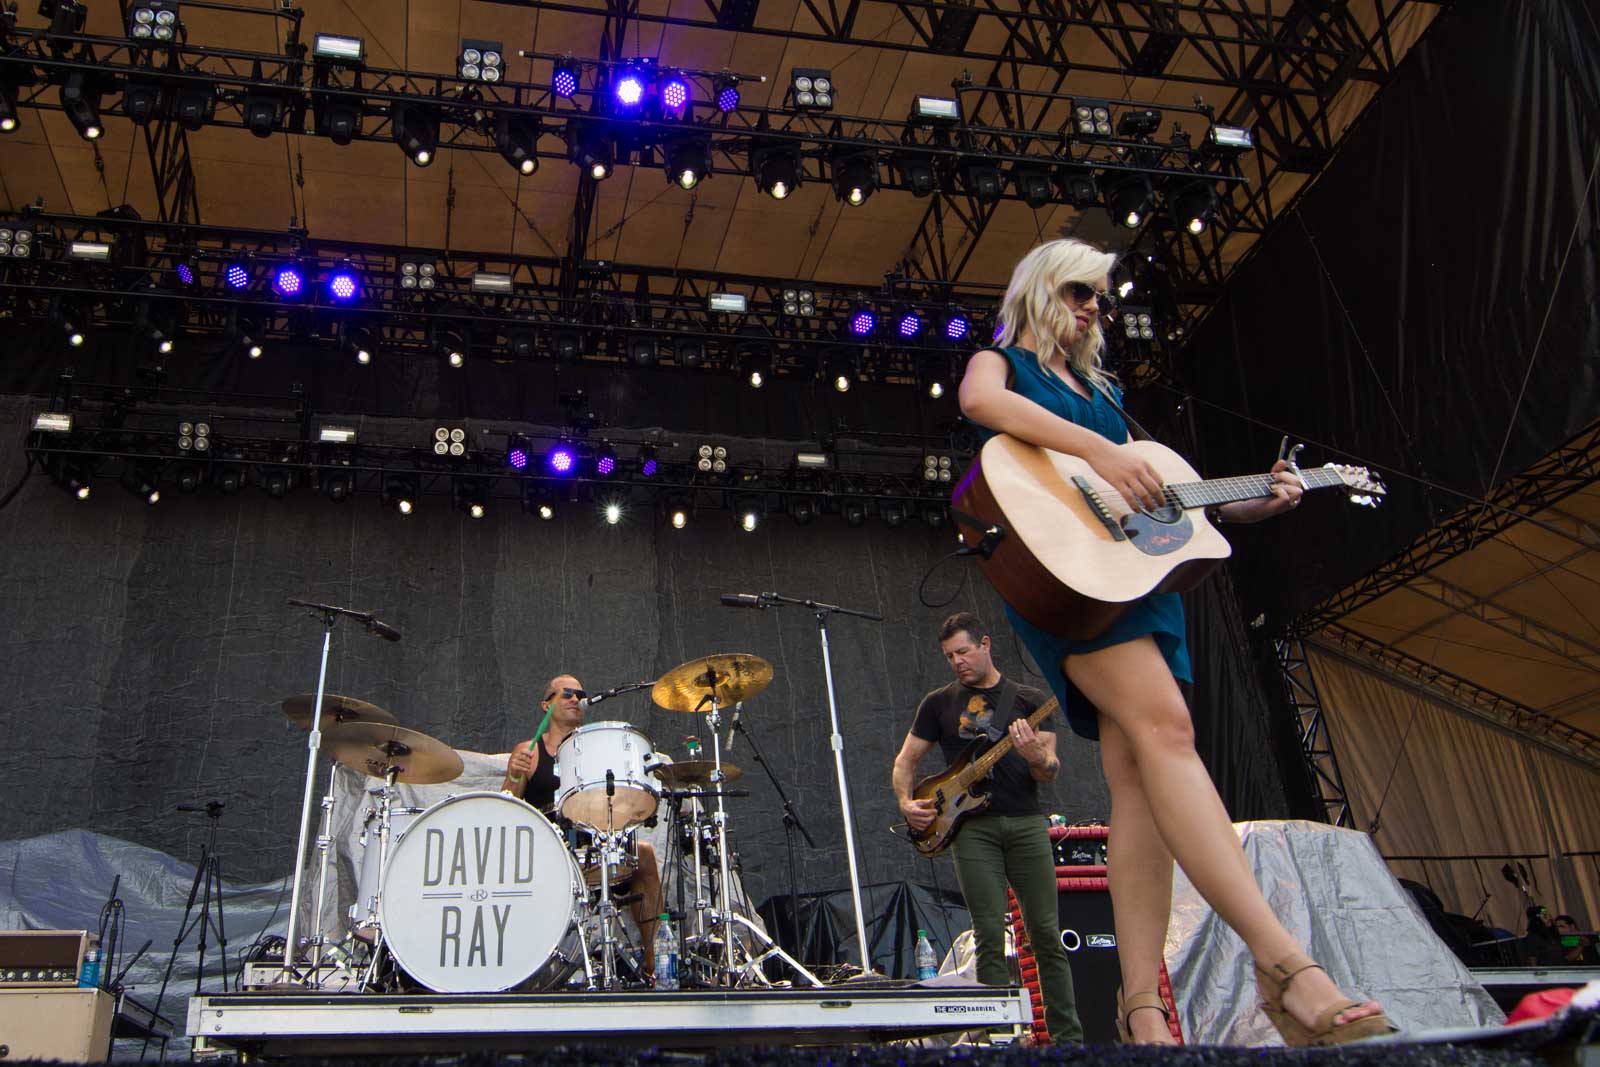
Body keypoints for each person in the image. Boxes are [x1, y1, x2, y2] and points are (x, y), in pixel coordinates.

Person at [952, 237, 1394, 1046]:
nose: (1092, 307)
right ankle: (1285, 965)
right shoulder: (1005, 362)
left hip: (1138, 586)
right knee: (1170, 733)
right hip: (1070, 579)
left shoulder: (1106, 391)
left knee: (1138, 784)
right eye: (1079, 290)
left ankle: (1142, 1009)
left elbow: (1177, 506)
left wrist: (1258, 502)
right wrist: (1098, 449)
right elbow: (979, 403)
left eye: (1100, 297)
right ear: (1042, 286)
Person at [894, 611, 1084, 1044]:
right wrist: (907, 803)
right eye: (949, 656)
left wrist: (1035, 754)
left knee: (1045, 934)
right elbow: (906, 761)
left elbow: (1049, 771)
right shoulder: (938, 703)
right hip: (971, 829)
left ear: (985, 644)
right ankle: (999, 1037)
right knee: (987, 935)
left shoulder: (1030, 699)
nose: (957, 661)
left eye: (963, 651)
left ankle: (1067, 1038)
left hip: (1025, 822)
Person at [502, 674, 664, 977]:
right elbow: (505, 809)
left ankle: (655, 966)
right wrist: (513, 774)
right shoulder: (530, 751)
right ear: (546, 705)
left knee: (643, 854)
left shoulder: (593, 750)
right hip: (548, 854)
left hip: (593, 847)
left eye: (579, 694)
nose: (575, 699)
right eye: (565, 694)